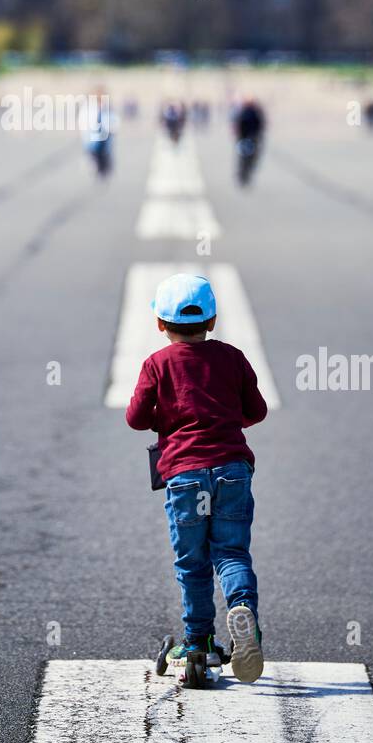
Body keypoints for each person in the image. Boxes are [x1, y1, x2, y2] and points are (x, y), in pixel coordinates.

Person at [125, 272, 267, 682]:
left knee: (192, 563)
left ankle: (198, 642)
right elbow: (255, 412)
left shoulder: (156, 364)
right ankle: (243, 615)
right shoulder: (232, 358)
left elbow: (135, 419)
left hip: (185, 476)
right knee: (232, 553)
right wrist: (221, 418)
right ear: (212, 320)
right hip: (231, 471)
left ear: (159, 323)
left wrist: (169, 421)